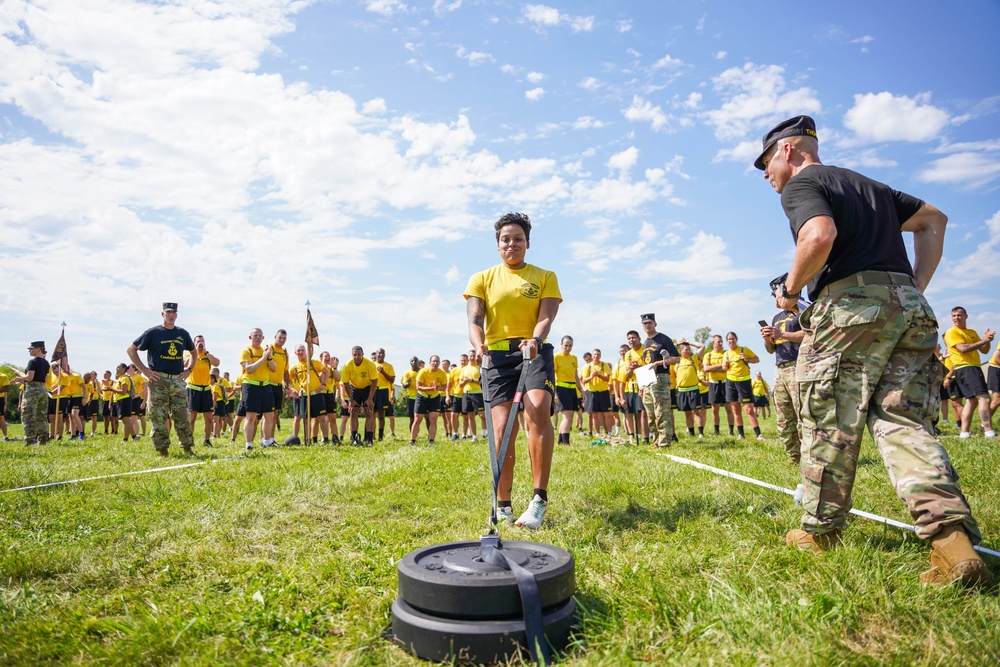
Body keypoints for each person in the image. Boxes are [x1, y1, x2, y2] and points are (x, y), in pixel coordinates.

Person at [757, 114, 989, 586]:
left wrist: (791, 290)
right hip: (909, 308)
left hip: (849, 311)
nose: (766, 176)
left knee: (829, 421)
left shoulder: (801, 184)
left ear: (787, 151)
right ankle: (952, 545)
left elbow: (819, 235)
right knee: (904, 422)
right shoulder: (871, 186)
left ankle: (819, 533)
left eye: (766, 164)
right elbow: (933, 220)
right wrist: (913, 285)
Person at [465, 211, 561, 529]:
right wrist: (480, 346)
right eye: (506, 239)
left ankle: (538, 501)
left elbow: (546, 316)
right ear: (498, 245)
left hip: (532, 352)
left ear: (527, 243)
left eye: (518, 238)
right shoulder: (481, 279)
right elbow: (475, 320)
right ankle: (503, 505)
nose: (512, 243)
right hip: (496, 359)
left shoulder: (544, 276)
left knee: (537, 410)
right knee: (502, 429)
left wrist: (535, 339)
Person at [126, 303, 196, 456]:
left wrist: (189, 370)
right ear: (163, 314)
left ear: (176, 315)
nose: (171, 315)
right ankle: (163, 450)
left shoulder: (182, 333)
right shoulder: (153, 333)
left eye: (174, 312)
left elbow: (193, 352)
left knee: (182, 416)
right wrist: (145, 370)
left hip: (177, 381)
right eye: (168, 312)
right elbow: (131, 349)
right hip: (158, 381)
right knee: (158, 416)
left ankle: (188, 448)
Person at [942, 307, 996, 439]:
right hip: (966, 367)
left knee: (971, 401)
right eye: (954, 315)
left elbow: (984, 350)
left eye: (959, 315)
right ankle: (989, 433)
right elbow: (963, 349)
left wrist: (987, 340)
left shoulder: (971, 332)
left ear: (966, 316)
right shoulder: (951, 333)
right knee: (984, 398)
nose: (956, 318)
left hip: (971, 367)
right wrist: (983, 341)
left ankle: (964, 433)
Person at [761, 309, 804, 463]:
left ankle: (809, 454)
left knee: (802, 413)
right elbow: (771, 349)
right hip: (779, 368)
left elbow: (811, 336)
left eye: (778, 293)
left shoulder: (804, 311)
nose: (776, 298)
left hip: (798, 365)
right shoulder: (776, 318)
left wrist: (782, 334)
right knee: (783, 415)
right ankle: (794, 455)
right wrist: (768, 339)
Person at [640, 314, 680, 447]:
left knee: (661, 411)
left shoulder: (663, 339)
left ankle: (664, 443)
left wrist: (658, 363)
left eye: (650, 322)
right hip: (648, 381)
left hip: (661, 379)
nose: (647, 325)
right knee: (650, 414)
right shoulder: (645, 342)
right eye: (645, 323)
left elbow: (676, 358)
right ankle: (656, 440)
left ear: (655, 324)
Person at [238, 328, 277, 450]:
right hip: (250, 385)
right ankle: (248, 444)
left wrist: (269, 357)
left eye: (260, 336)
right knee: (251, 416)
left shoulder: (266, 351)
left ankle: (266, 441)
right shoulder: (246, 351)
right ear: (250, 337)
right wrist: (263, 357)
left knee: (269, 415)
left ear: (263, 338)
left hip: (265, 385)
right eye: (255, 335)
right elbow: (249, 368)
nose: (258, 337)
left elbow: (273, 369)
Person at [722, 332, 761, 440]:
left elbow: (757, 359)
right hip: (730, 382)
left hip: (744, 382)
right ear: (727, 341)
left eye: (733, 339)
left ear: (736, 339)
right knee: (735, 409)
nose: (731, 341)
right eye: (729, 339)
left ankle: (759, 434)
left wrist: (747, 359)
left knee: (749, 409)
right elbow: (724, 369)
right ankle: (741, 434)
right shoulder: (726, 354)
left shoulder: (744, 350)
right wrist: (725, 365)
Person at [10, 342, 50, 445]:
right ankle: (43, 440)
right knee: (42, 416)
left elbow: (30, 378)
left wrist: (19, 378)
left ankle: (29, 441)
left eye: (31, 349)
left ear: (38, 349)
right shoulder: (46, 363)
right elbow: (44, 379)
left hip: (32, 391)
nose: (29, 351)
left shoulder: (32, 362)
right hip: (42, 389)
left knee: (28, 416)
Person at [289, 344, 331, 444]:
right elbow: (287, 380)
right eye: (298, 350)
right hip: (304, 396)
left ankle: (325, 439)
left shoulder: (314, 362)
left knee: (322, 417)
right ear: (295, 353)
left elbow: (326, 372)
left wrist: (323, 385)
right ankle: (307, 440)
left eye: (302, 350)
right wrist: (292, 390)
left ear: (306, 351)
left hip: (316, 394)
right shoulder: (294, 367)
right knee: (306, 419)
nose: (301, 352)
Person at [186, 335, 220, 447]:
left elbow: (216, 363)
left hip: (206, 389)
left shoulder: (208, 356)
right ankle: (189, 440)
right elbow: (183, 364)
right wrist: (194, 352)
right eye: (198, 341)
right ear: (194, 343)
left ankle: (207, 440)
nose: (200, 343)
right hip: (193, 389)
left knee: (209, 418)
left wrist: (206, 353)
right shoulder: (189, 354)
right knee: (192, 418)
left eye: (202, 341)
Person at [341, 345, 378, 445]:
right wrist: (351, 398)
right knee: (353, 412)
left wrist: (370, 398)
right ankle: (353, 439)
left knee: (369, 412)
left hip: (367, 388)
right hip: (354, 388)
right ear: (352, 355)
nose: (357, 357)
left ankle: (370, 439)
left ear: (363, 355)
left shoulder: (370, 364)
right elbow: (345, 383)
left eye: (359, 355)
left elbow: (374, 381)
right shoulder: (347, 365)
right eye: (354, 355)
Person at [410, 355, 447, 445]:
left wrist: (436, 387)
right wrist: (429, 388)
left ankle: (431, 440)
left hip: (435, 397)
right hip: (422, 397)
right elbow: (418, 387)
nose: (435, 363)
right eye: (434, 361)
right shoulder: (423, 372)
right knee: (417, 419)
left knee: (433, 419)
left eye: (437, 361)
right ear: (430, 362)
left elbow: (444, 387)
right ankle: (412, 440)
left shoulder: (442, 373)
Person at [553, 336, 582, 445]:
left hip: (572, 389)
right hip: (561, 389)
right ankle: (566, 443)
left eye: (570, 345)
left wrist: (581, 389)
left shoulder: (574, 358)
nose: (568, 348)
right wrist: (554, 394)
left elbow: (576, 376)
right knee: (567, 417)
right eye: (566, 345)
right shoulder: (556, 357)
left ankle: (560, 442)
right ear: (561, 345)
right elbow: (552, 375)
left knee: (569, 416)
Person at [673, 341, 705, 437]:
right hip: (682, 391)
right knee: (687, 413)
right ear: (680, 351)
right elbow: (666, 351)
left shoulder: (693, 359)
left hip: (693, 389)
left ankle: (701, 433)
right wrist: (677, 343)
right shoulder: (676, 361)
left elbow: (702, 346)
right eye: (686, 349)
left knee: (696, 412)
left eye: (689, 349)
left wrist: (689, 342)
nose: (688, 351)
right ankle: (691, 433)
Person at [701, 335, 731, 435]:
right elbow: (706, 369)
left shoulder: (726, 354)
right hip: (713, 384)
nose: (721, 343)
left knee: (728, 408)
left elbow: (725, 369)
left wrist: (713, 367)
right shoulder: (708, 355)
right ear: (713, 343)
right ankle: (716, 431)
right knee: (714, 409)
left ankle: (731, 431)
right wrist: (720, 365)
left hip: (725, 383)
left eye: (722, 341)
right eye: (718, 341)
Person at [581, 349, 614, 438]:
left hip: (603, 392)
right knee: (594, 414)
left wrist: (599, 375)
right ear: (592, 356)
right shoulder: (587, 367)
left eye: (598, 354)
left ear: (600, 356)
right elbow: (583, 380)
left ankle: (609, 433)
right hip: (592, 392)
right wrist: (591, 377)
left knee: (607, 413)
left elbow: (607, 378)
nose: (596, 356)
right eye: (595, 354)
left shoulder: (604, 365)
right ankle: (597, 433)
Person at [373, 348, 396, 441]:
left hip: (383, 391)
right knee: (371, 414)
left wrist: (383, 372)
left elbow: (392, 380)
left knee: (381, 415)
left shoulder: (389, 366)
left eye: (382, 353)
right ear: (376, 354)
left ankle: (380, 435)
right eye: (379, 353)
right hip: (373, 390)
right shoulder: (371, 365)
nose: (381, 355)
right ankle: (370, 435)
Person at [400, 356, 420, 433]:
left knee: (427, 417)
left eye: (415, 360)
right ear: (410, 362)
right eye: (412, 361)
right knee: (412, 418)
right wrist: (408, 383)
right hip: (412, 398)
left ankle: (430, 436)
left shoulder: (422, 371)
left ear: (418, 362)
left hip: (423, 397)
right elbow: (404, 385)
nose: (413, 362)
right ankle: (412, 435)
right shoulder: (407, 373)